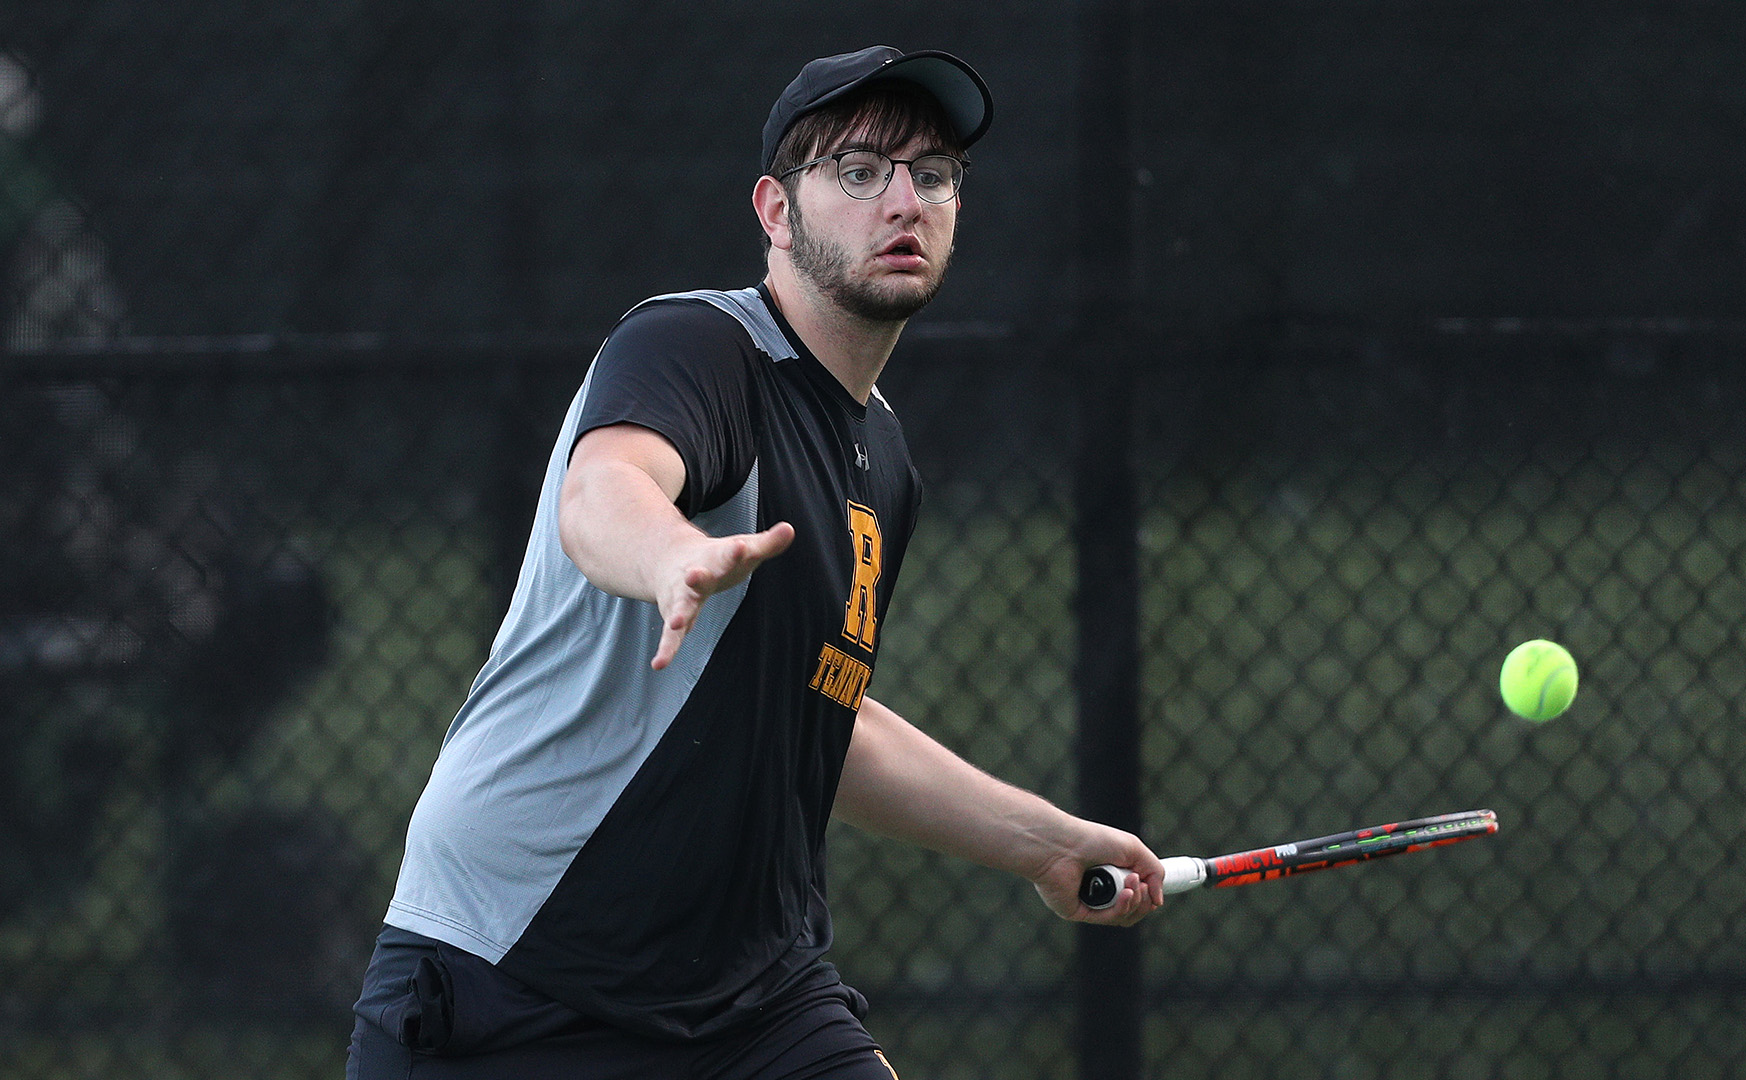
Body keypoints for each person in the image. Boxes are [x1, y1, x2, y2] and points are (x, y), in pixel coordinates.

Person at [346, 45, 1164, 1080]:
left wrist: (1041, 844)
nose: (903, 199)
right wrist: (671, 554)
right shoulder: (698, 348)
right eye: (861, 172)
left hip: (753, 1000)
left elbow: (829, 712)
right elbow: (604, 491)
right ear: (776, 211)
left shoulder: (885, 459)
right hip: (517, 977)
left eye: (934, 173)